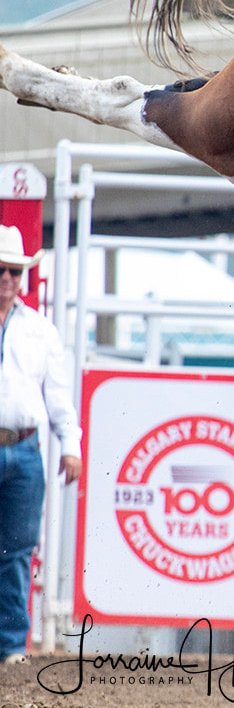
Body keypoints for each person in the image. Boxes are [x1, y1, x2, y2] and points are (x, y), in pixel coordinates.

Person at [0, 225, 81, 665]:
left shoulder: (40, 330)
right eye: (1, 270)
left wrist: (71, 444)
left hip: (25, 447)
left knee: (16, 550)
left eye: (13, 270)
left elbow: (58, 395)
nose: (7, 278)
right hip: (24, 450)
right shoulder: (40, 329)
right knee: (13, 550)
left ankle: (12, 645)